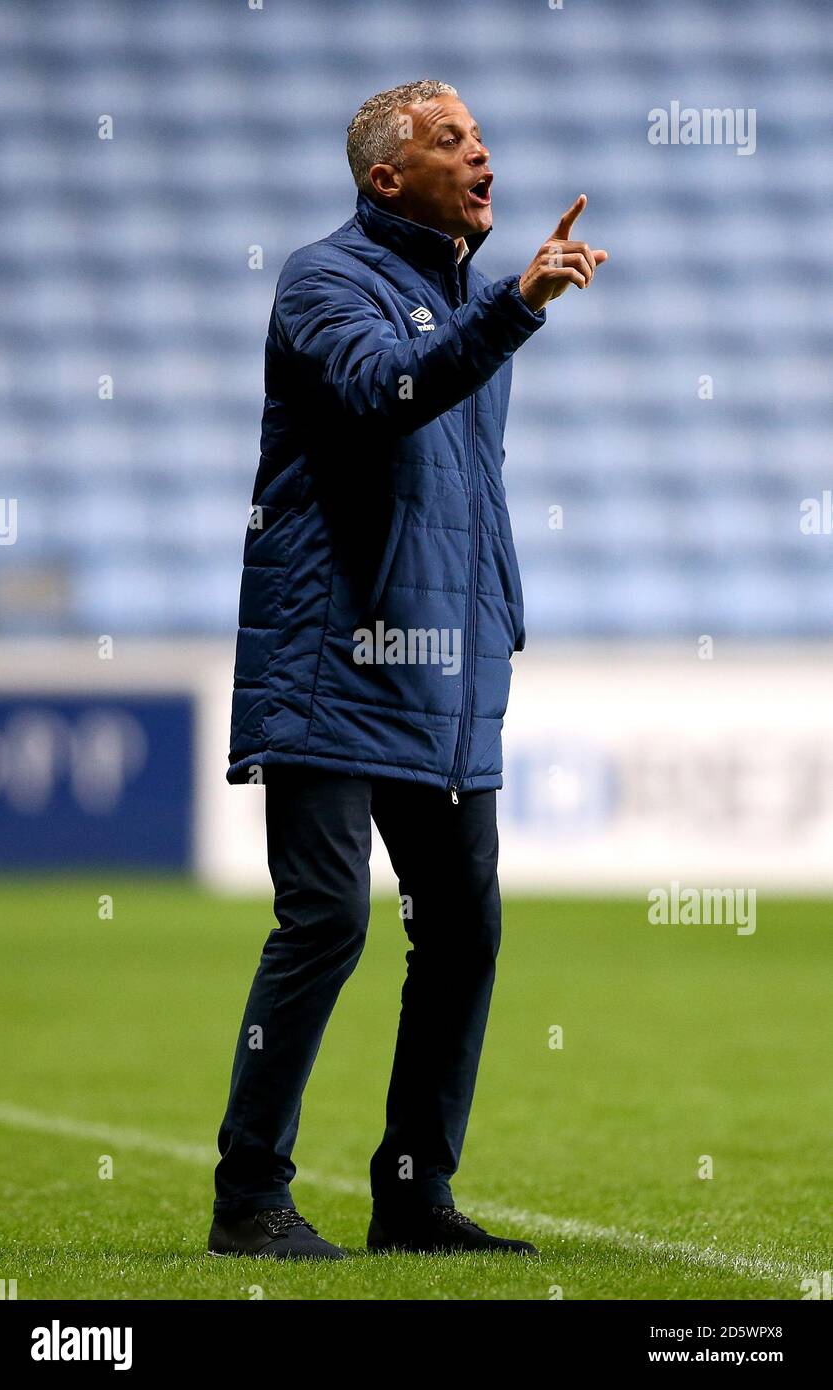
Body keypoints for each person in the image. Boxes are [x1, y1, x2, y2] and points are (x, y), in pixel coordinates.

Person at [208, 79, 608, 1261]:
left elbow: (465, 499)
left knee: (464, 932)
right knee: (327, 917)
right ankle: (249, 1197)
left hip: (444, 668)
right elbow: (387, 393)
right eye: (451, 141)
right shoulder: (322, 281)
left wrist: (500, 619)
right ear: (387, 177)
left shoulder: (472, 306)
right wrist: (514, 310)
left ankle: (413, 1194)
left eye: (482, 138)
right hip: (334, 656)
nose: (481, 155)